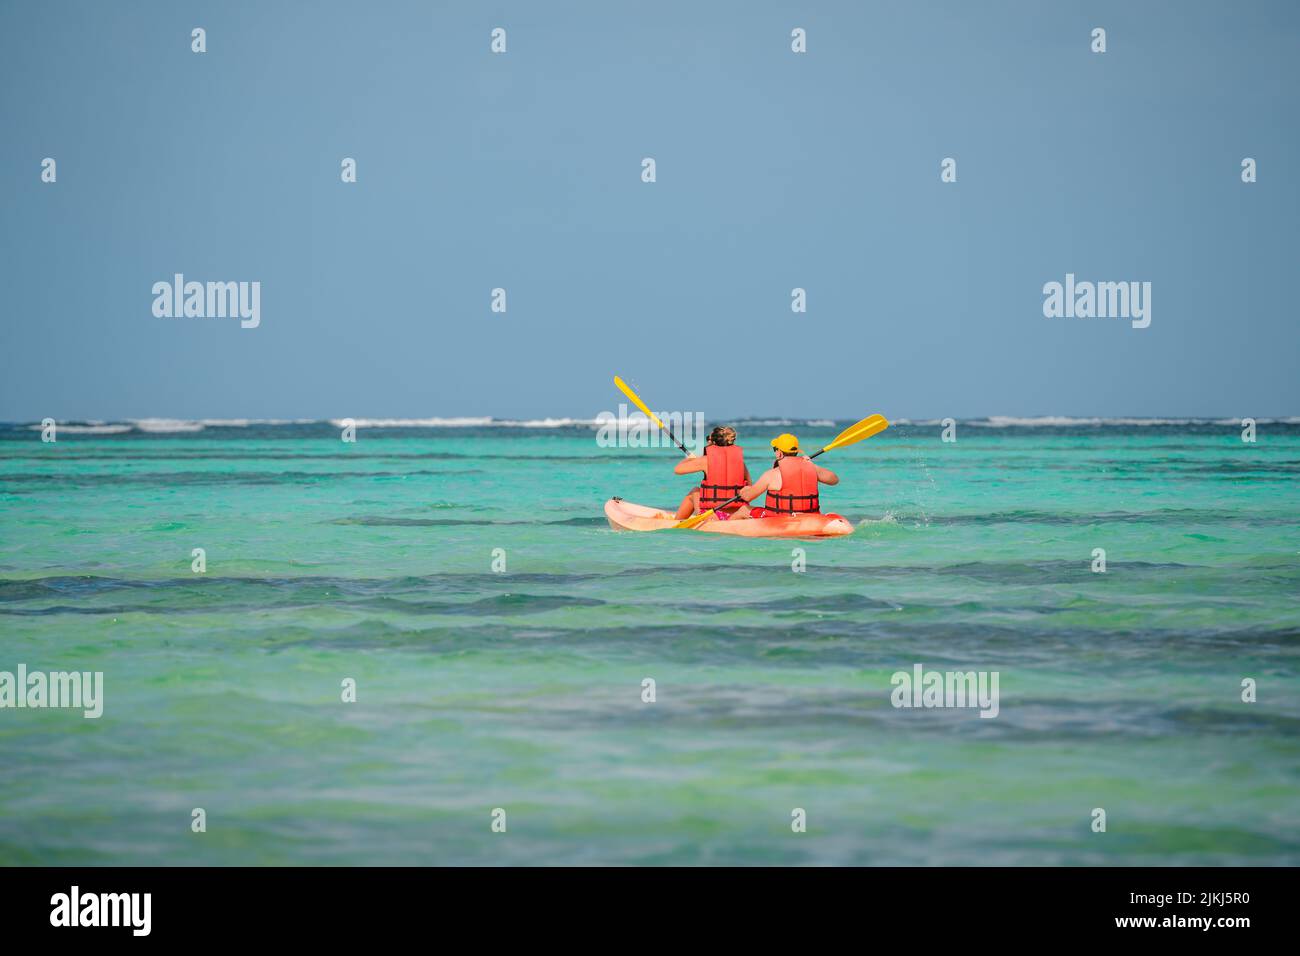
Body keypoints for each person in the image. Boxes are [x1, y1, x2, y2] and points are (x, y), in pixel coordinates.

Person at [731, 433, 838, 518]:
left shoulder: (771, 475)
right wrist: (812, 465)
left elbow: (748, 497)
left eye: (775, 449)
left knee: (743, 510)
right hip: (809, 516)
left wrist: (744, 490)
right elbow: (834, 480)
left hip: (779, 518)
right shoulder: (812, 468)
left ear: (779, 453)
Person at [673, 425, 751, 520]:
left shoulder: (705, 460)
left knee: (695, 491)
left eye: (708, 439)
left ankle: (676, 521)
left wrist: (689, 459)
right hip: (736, 513)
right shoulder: (740, 462)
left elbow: (677, 470)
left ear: (713, 442)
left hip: (713, 516)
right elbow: (750, 487)